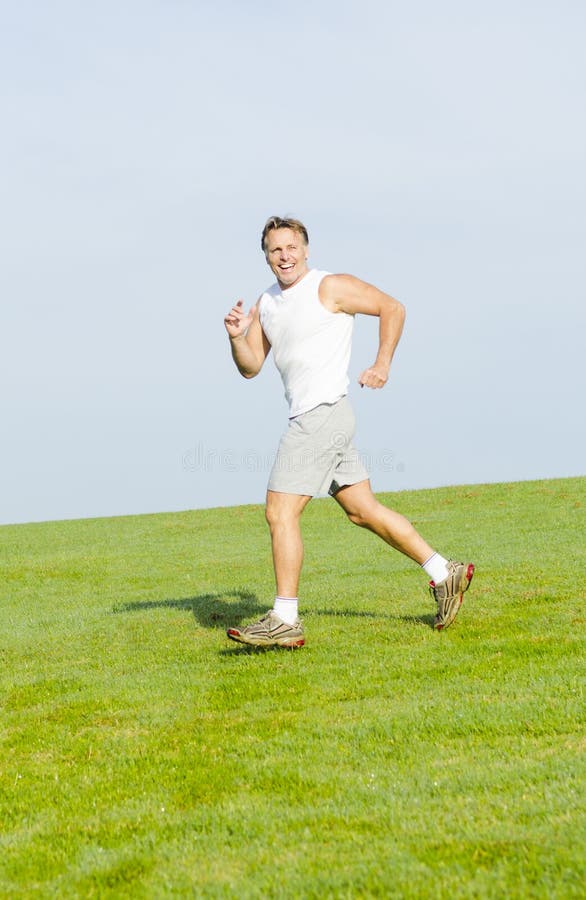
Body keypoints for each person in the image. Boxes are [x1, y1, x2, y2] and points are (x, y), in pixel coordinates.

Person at [223, 215, 474, 648]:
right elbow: (251, 368)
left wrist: (382, 364)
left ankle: (285, 618)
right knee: (362, 510)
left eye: (291, 247)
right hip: (319, 416)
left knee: (280, 511)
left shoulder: (329, 287)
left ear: (305, 249)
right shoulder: (268, 303)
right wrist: (235, 338)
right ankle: (443, 572)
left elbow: (392, 307)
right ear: (266, 257)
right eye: (275, 250)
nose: (284, 256)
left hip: (321, 415)